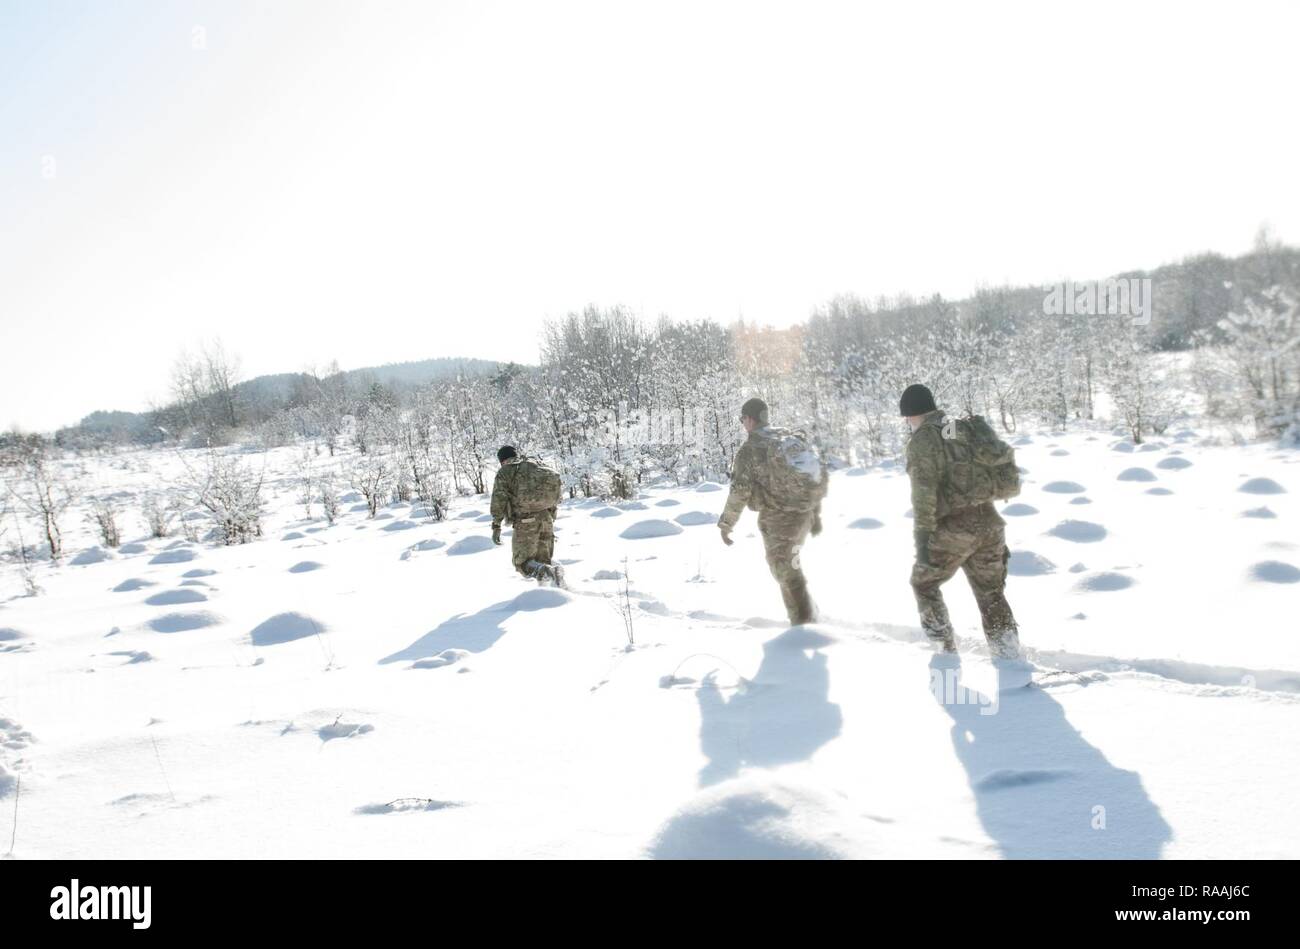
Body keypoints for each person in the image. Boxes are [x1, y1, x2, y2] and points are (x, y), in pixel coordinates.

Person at [902, 384, 1021, 658]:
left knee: (924, 583)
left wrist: (922, 537)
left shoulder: (923, 440)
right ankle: (1009, 655)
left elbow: (923, 492)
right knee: (991, 593)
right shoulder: (960, 427)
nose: (908, 422)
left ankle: (943, 651)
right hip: (990, 523)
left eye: (907, 417)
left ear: (913, 414)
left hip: (954, 528)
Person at [717, 397, 826, 626]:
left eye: (742, 419)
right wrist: (815, 513)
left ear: (749, 419)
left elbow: (740, 491)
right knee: (790, 564)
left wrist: (726, 523)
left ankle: (804, 624)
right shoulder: (786, 437)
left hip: (779, 519)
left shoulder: (751, 448)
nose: (742, 423)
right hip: (803, 514)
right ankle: (805, 615)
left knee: (783, 569)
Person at [490, 446, 564, 586]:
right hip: (546, 518)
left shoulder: (506, 471)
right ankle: (552, 581)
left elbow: (498, 499)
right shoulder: (537, 466)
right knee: (543, 560)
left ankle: (548, 574)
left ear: (502, 460)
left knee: (522, 563)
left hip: (526, 521)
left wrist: (496, 525)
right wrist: (550, 516)